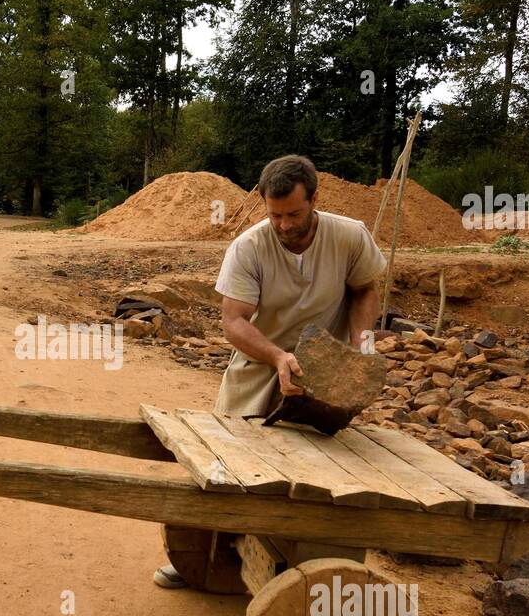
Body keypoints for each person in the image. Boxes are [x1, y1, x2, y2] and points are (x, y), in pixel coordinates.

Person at [153, 154, 386, 588]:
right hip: (260, 363)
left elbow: (365, 291)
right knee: (224, 465)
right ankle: (202, 556)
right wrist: (278, 357)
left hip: (323, 369)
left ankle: (298, 563)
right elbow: (234, 322)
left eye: (293, 214)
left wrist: (362, 346)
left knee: (316, 466)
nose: (282, 225)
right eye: (274, 214)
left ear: (316, 199)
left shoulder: (349, 236)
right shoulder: (248, 246)